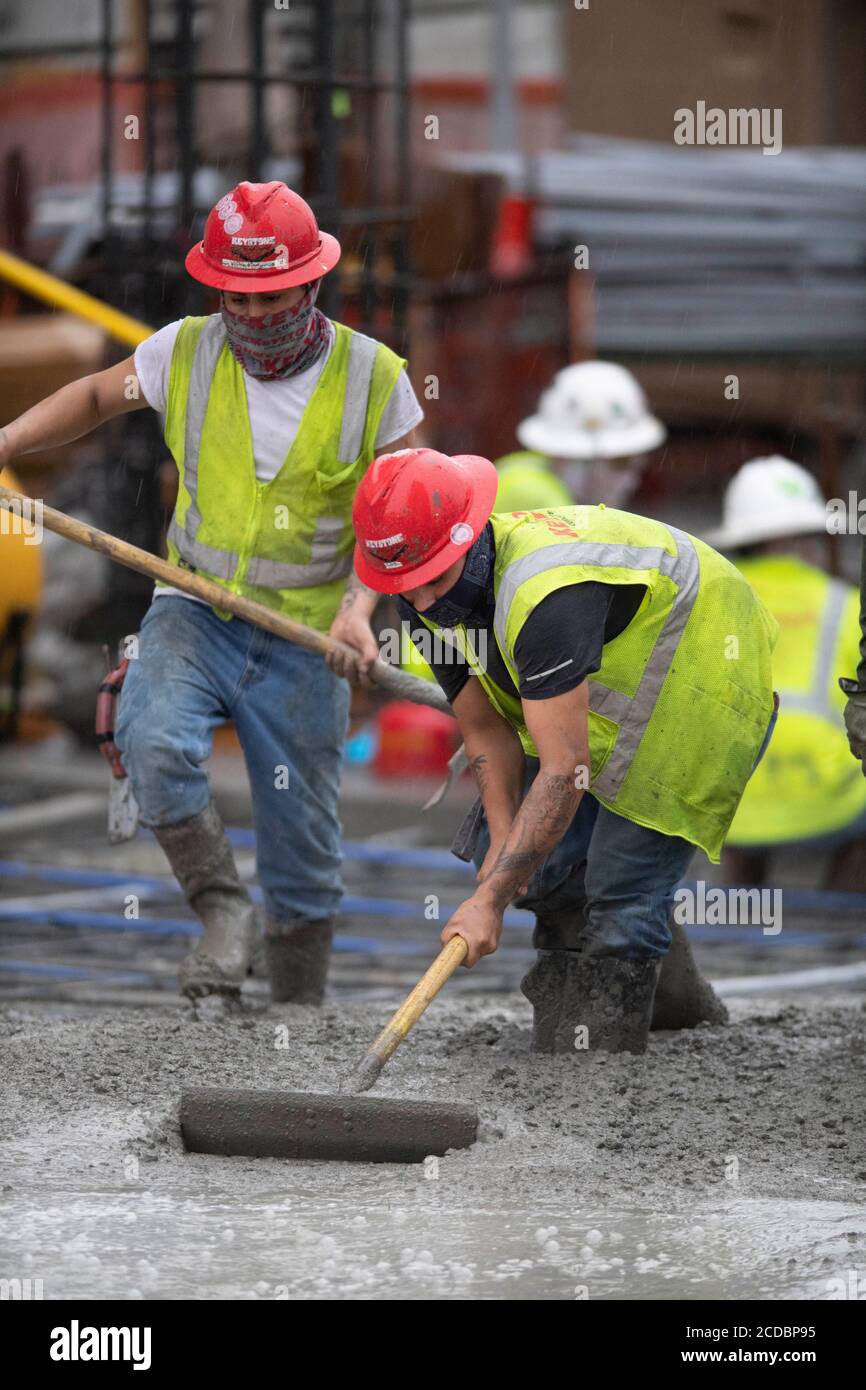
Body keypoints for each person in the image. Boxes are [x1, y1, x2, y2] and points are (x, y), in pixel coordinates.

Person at [0, 181, 422, 1005]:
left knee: (303, 848)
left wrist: (360, 611)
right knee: (151, 741)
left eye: (274, 296)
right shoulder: (183, 352)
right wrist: (7, 440)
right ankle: (223, 912)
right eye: (239, 297)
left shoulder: (375, 380)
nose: (257, 314)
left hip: (308, 639)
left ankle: (300, 1016)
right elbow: (92, 397)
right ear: (216, 289)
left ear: (313, 283)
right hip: (194, 609)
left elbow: (408, 510)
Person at [351, 448, 778, 1054]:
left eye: (436, 584)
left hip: (702, 677)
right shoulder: (419, 585)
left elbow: (565, 769)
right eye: (406, 590)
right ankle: (674, 1006)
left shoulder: (545, 597)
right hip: (607, 688)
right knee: (544, 873)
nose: (422, 605)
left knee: (622, 889)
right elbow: (484, 728)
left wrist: (488, 900)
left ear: (469, 543)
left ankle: (600, 1071)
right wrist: (501, 849)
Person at [706, 457, 866, 889]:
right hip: (827, 801)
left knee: (729, 799)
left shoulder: (711, 600)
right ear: (806, 538)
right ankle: (841, 915)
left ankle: (741, 909)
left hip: (728, 806)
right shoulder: (846, 605)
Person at [514, 360, 666, 508]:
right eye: (621, 463)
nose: (631, 482)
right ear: (579, 462)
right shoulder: (543, 504)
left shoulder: (525, 472)